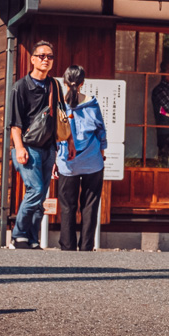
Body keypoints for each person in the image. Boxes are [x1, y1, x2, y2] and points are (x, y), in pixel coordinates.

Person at [7, 41, 59, 249]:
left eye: (50, 57)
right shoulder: (20, 87)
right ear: (32, 59)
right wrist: (19, 148)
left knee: (40, 195)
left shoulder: (54, 85)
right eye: (42, 56)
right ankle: (18, 235)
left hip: (49, 148)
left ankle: (32, 238)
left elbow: (61, 118)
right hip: (28, 147)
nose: (45, 60)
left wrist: (63, 148)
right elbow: (14, 123)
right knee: (35, 189)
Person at [54, 65, 107, 251]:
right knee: (90, 205)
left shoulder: (59, 105)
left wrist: (55, 158)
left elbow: (56, 134)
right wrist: (102, 151)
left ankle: (67, 246)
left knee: (67, 206)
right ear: (82, 83)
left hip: (67, 163)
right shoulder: (92, 103)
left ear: (64, 82)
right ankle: (86, 246)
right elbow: (101, 131)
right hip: (93, 162)